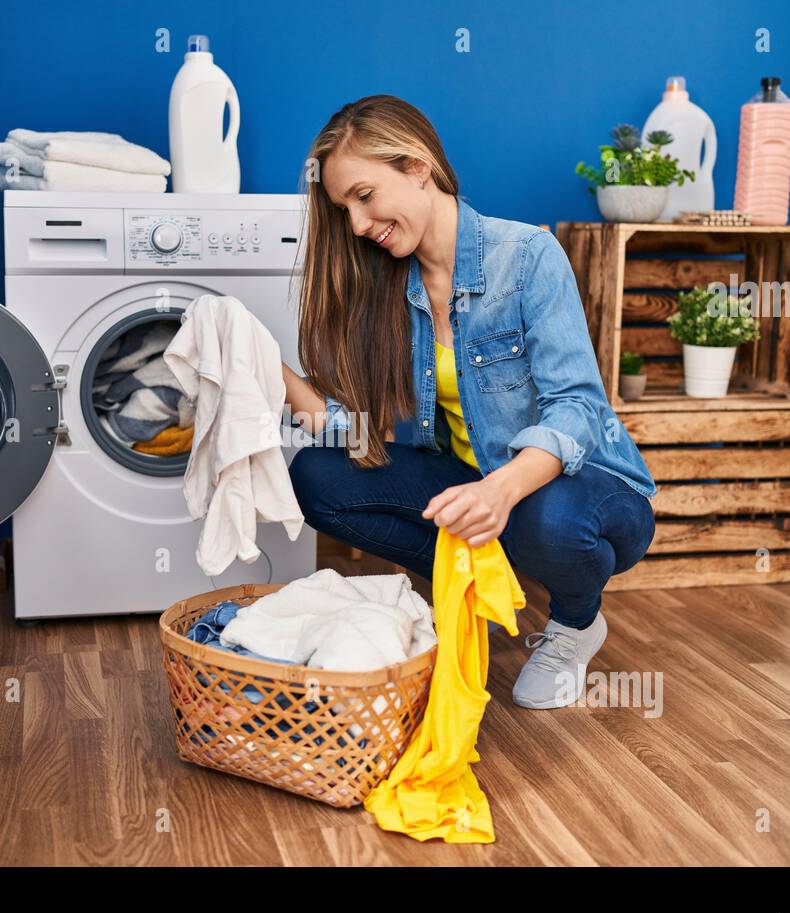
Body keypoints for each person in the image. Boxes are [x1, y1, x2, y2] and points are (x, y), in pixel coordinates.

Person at [281, 94, 657, 709]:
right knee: (317, 476)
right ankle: (471, 585)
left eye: (365, 195)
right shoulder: (386, 286)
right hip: (477, 479)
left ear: (418, 168)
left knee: (550, 519)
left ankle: (575, 623)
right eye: (343, 207)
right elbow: (360, 432)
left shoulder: (527, 257)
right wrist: (266, 370)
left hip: (588, 489)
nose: (355, 224)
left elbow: (578, 410)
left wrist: (500, 490)